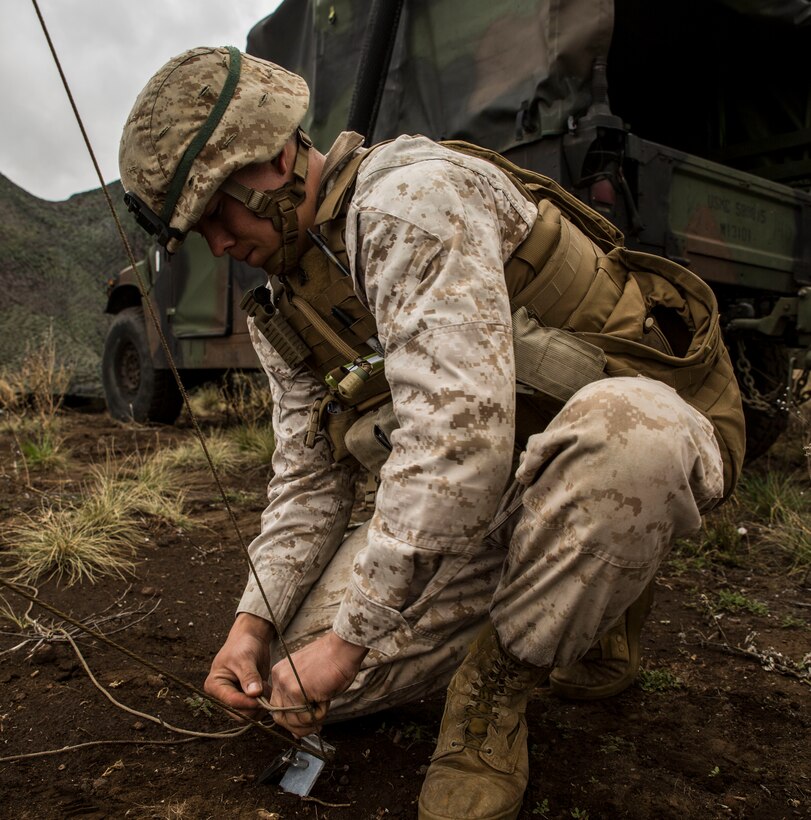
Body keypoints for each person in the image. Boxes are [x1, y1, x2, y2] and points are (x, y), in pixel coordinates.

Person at [119, 46, 745, 820]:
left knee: (633, 443)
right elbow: (308, 483)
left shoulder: (408, 202)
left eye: (218, 210)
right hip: (485, 498)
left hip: (632, 438)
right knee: (287, 679)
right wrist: (253, 624)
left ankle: (503, 681)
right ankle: (564, 592)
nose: (217, 243)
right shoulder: (285, 307)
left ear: (277, 157)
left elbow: (458, 445)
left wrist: (350, 641)